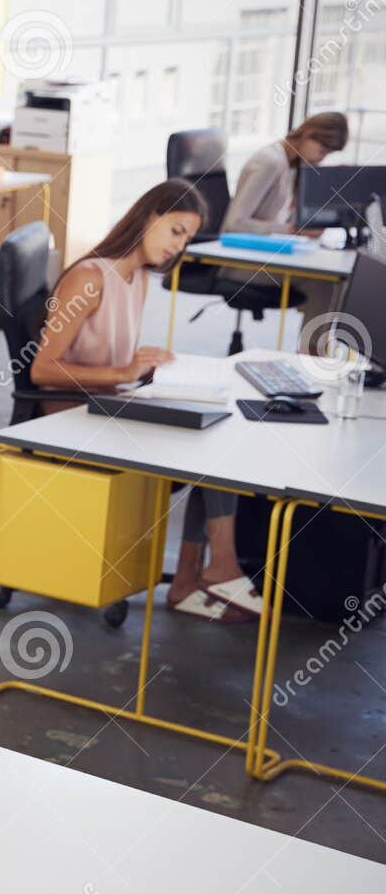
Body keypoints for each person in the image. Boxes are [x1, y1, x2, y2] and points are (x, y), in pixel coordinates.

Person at [29, 178, 263, 623]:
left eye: (186, 239)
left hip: (108, 403)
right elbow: (42, 370)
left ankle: (194, 578)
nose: (179, 246)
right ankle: (215, 569)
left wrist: (146, 366)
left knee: (215, 433)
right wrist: (123, 373)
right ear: (149, 216)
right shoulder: (88, 278)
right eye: (176, 231)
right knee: (208, 447)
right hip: (72, 415)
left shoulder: (136, 277)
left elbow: (114, 355)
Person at [222, 111, 350, 319]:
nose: (321, 158)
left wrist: (305, 226)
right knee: (327, 281)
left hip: (265, 254)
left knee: (337, 280)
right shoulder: (269, 162)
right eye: (323, 150)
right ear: (309, 134)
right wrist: (292, 230)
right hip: (240, 263)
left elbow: (276, 216)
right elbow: (234, 223)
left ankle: (317, 340)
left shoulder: (291, 164)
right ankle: (315, 341)